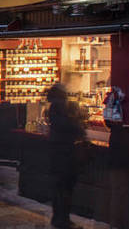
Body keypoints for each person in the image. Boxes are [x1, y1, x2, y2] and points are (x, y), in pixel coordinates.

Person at [46, 83, 86, 229]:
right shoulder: (60, 105)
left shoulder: (54, 106)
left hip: (58, 152)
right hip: (65, 152)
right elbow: (68, 125)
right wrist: (78, 124)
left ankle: (58, 218)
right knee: (65, 188)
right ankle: (63, 220)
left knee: (59, 188)